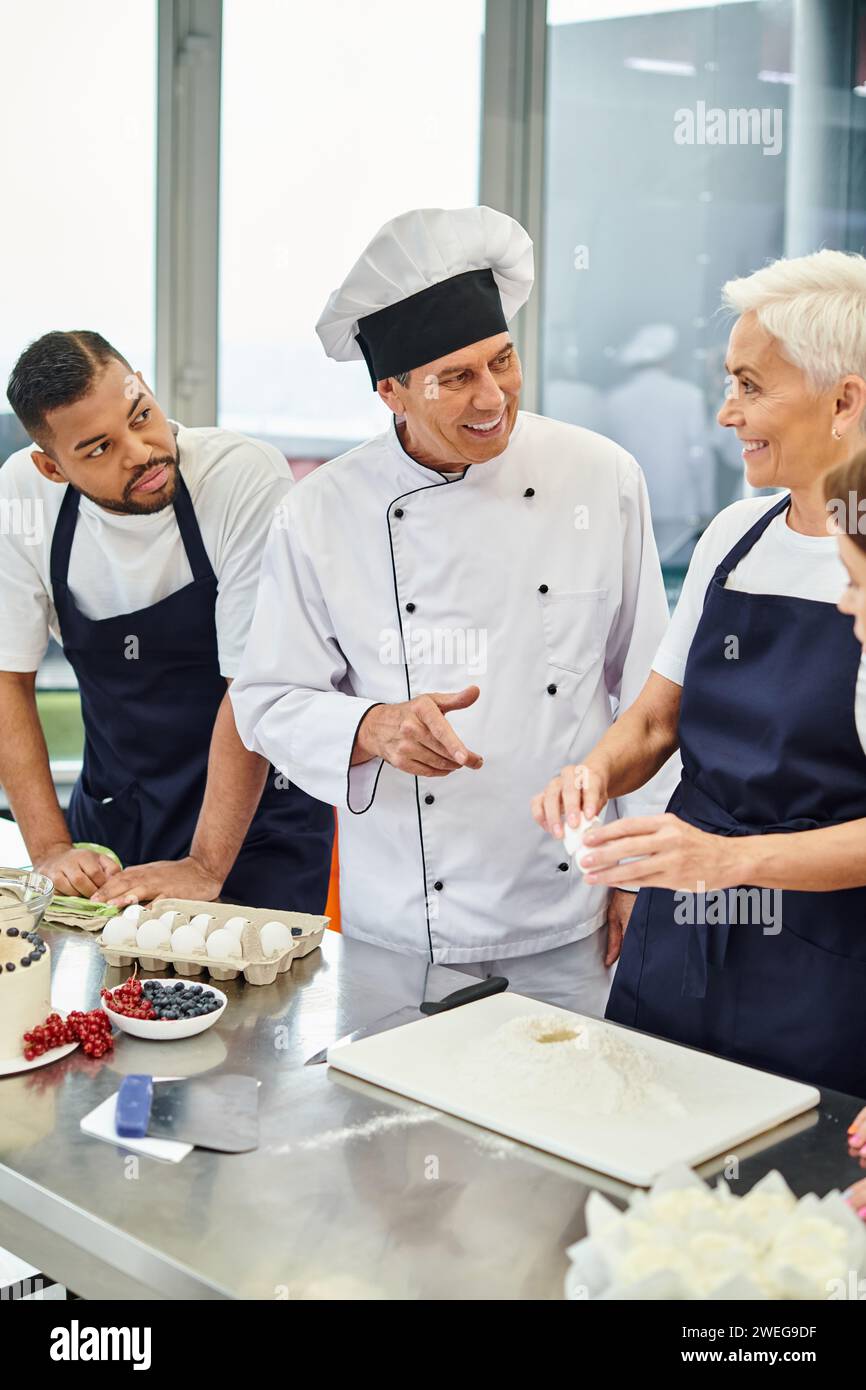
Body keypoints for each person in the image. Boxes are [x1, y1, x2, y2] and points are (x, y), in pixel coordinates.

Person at [230, 206, 677, 1014]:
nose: (492, 397)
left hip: (565, 912)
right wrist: (372, 726)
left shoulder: (600, 476)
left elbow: (649, 693)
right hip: (398, 924)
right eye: (455, 378)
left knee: (560, 1122)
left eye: (502, 361)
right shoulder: (321, 511)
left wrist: (637, 875)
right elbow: (266, 701)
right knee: (389, 1132)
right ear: (390, 391)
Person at [533, 248, 866, 1093]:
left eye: (751, 386)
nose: (727, 413)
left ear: (846, 401)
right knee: (644, 1170)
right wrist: (592, 772)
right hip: (681, 934)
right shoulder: (733, 538)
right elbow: (654, 721)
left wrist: (726, 862)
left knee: (789, 1205)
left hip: (823, 965)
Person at [0, 331, 333, 910]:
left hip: (256, 824)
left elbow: (248, 687)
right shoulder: (22, 497)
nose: (142, 453)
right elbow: (7, 677)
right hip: (115, 819)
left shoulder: (243, 477)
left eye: (142, 416)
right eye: (99, 449)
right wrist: (51, 849)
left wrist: (203, 866)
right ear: (52, 469)